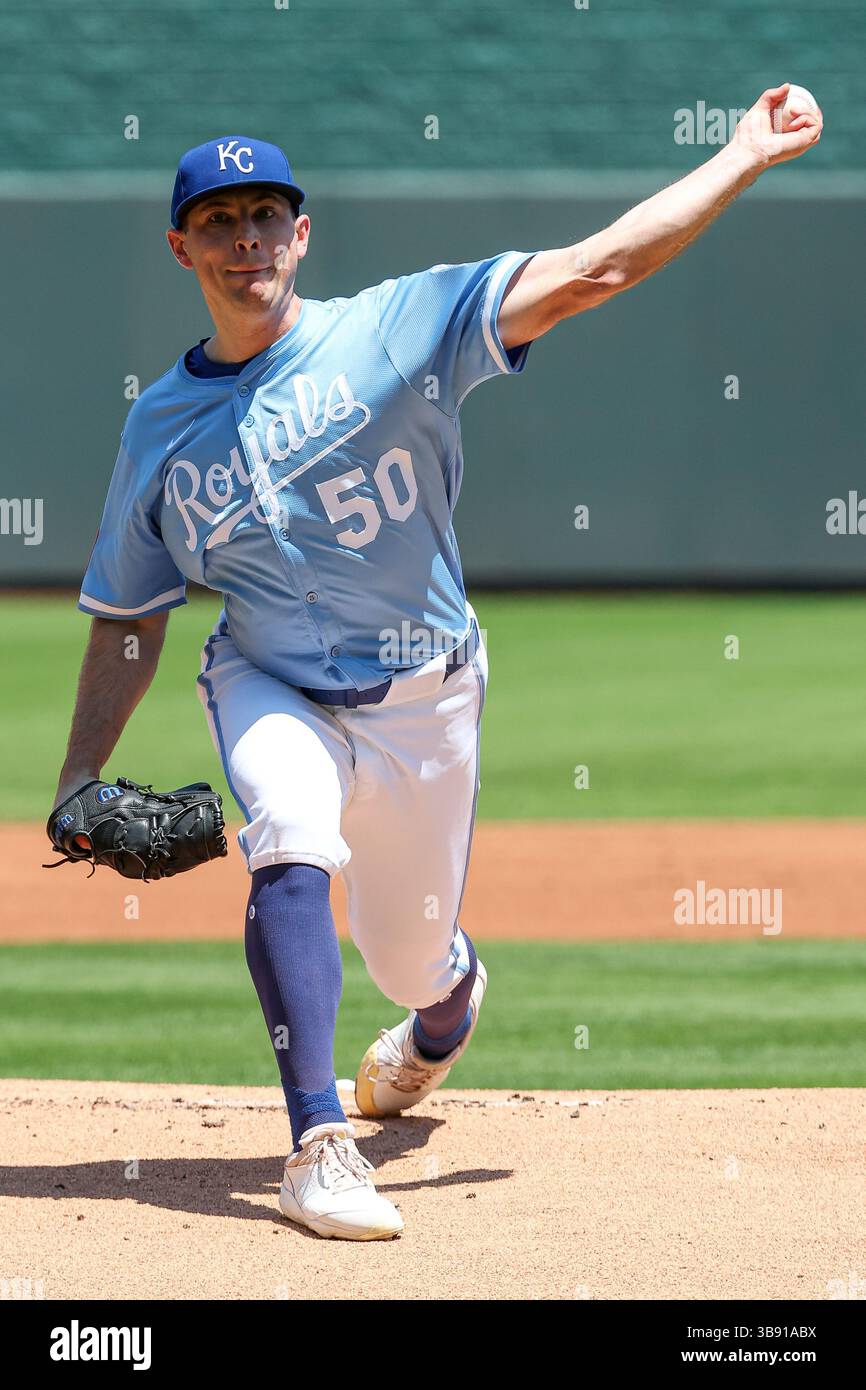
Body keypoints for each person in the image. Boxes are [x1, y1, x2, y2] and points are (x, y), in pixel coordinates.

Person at [52, 88, 821, 1240]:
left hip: (427, 695)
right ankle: (318, 1142)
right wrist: (76, 780)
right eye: (218, 220)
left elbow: (597, 268)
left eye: (266, 213)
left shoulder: (400, 327)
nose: (245, 238)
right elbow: (128, 613)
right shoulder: (157, 427)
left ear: (302, 233)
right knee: (289, 837)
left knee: (411, 960)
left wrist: (744, 156)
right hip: (268, 679)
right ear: (182, 247)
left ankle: (441, 1013)